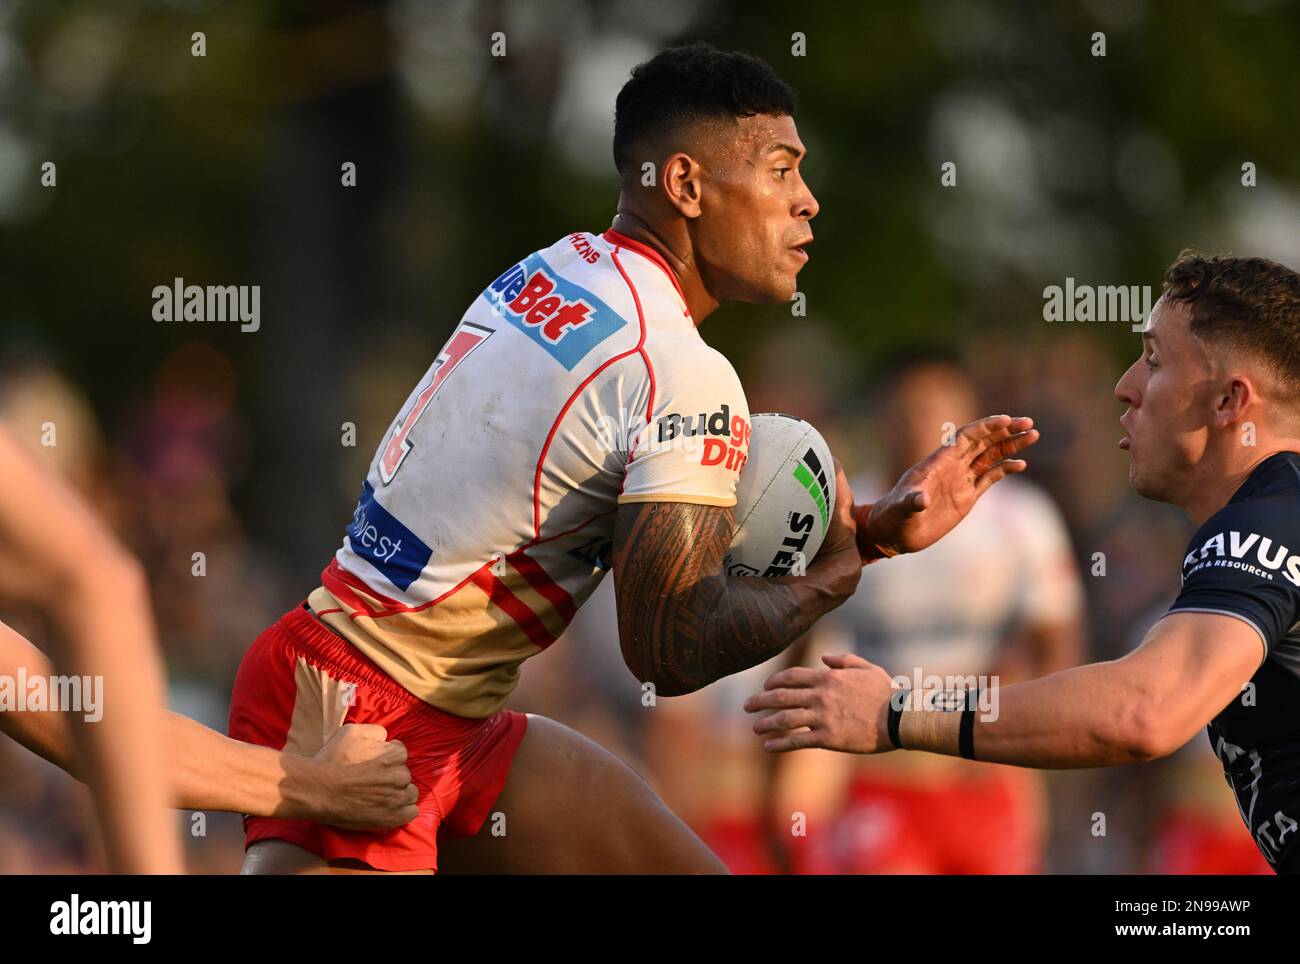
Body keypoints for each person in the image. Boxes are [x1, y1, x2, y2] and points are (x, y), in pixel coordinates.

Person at [230, 42, 1037, 874]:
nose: (808, 202)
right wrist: (845, 566)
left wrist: (864, 525)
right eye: (781, 170)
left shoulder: (557, 266)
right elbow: (668, 649)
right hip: (366, 715)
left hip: (425, 705)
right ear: (685, 186)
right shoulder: (679, 369)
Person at [746, 252, 1300, 874]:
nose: (1126, 385)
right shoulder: (1273, 511)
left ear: (1229, 401)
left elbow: (1145, 709)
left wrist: (893, 711)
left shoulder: (1265, 523)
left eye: (1153, 360)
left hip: (976, 802)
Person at [774, 354, 1085, 874]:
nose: (922, 422)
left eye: (938, 408)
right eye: (907, 408)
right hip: (885, 780)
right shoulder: (844, 518)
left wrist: (1040, 756)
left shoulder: (1022, 517)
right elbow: (800, 649)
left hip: (985, 779)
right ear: (881, 415)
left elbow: (1057, 648)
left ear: (969, 415)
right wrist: (787, 783)